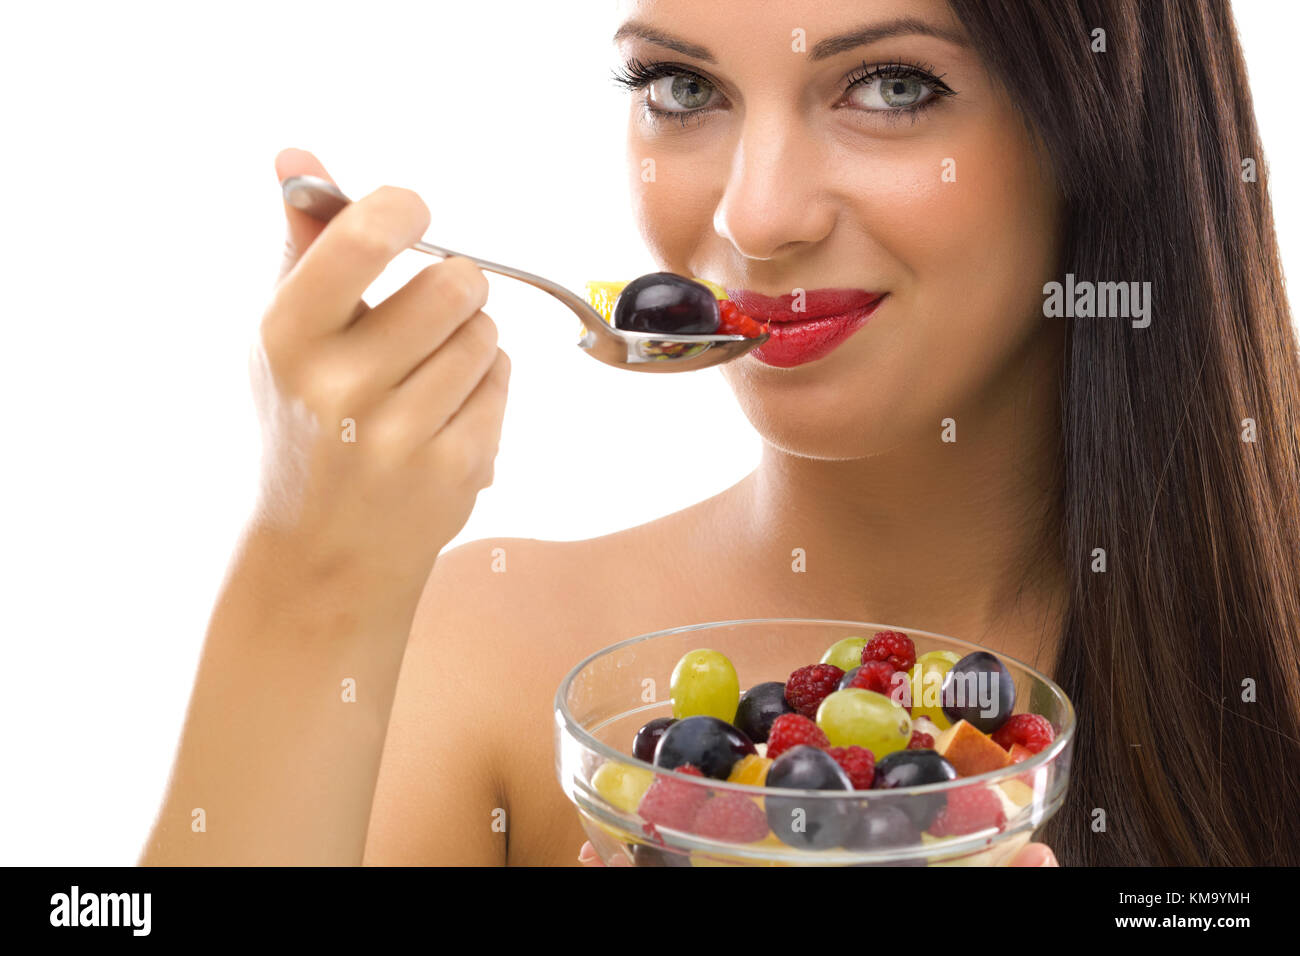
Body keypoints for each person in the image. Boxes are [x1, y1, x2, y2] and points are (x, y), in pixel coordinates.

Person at [140, 0, 1300, 867]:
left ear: (1105, 123)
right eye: (681, 87)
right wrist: (311, 567)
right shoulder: (487, 656)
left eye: (891, 85)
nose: (755, 214)